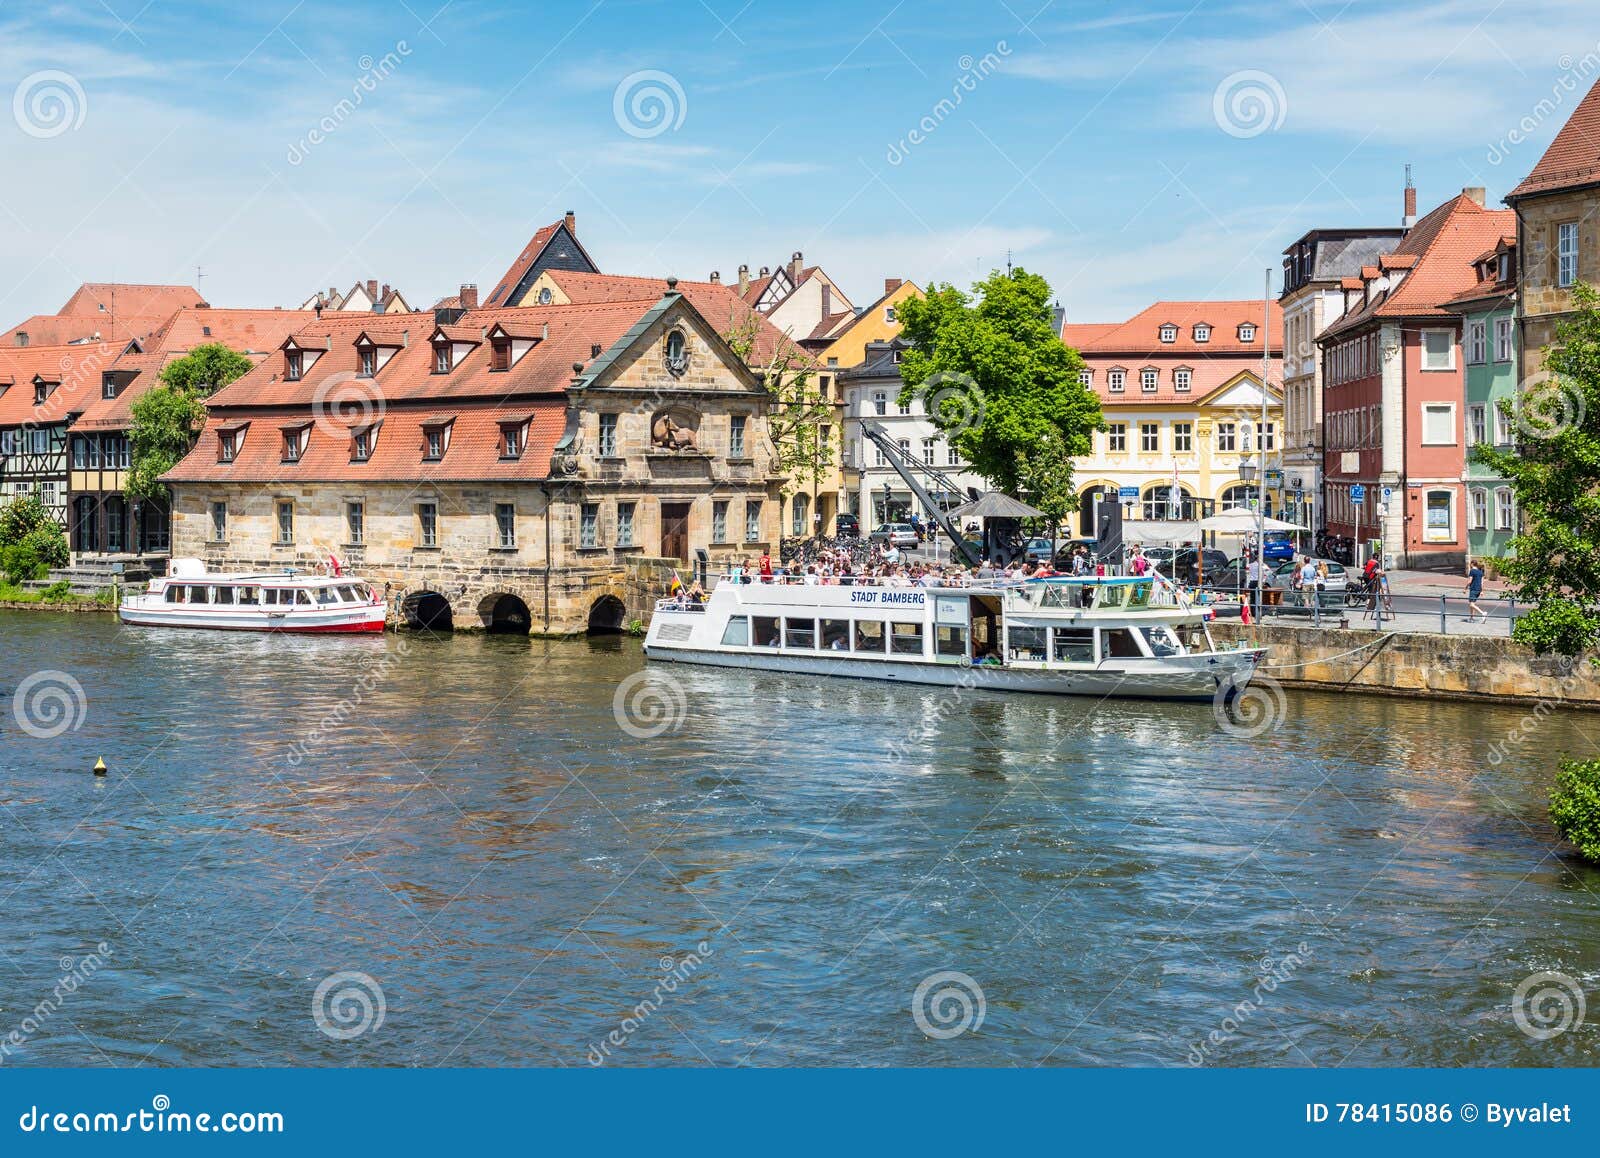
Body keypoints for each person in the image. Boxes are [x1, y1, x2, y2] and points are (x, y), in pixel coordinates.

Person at [1466, 558, 1486, 623]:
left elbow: (1470, 581)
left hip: (1473, 589)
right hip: (1478, 590)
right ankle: (1471, 618)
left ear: (1472, 564)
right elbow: (1482, 583)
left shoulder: (1472, 571)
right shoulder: (1481, 572)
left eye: (1470, 564)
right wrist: (1482, 591)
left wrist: (1465, 588)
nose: (1469, 565)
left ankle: (1482, 613)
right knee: (1472, 604)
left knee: (1471, 605)